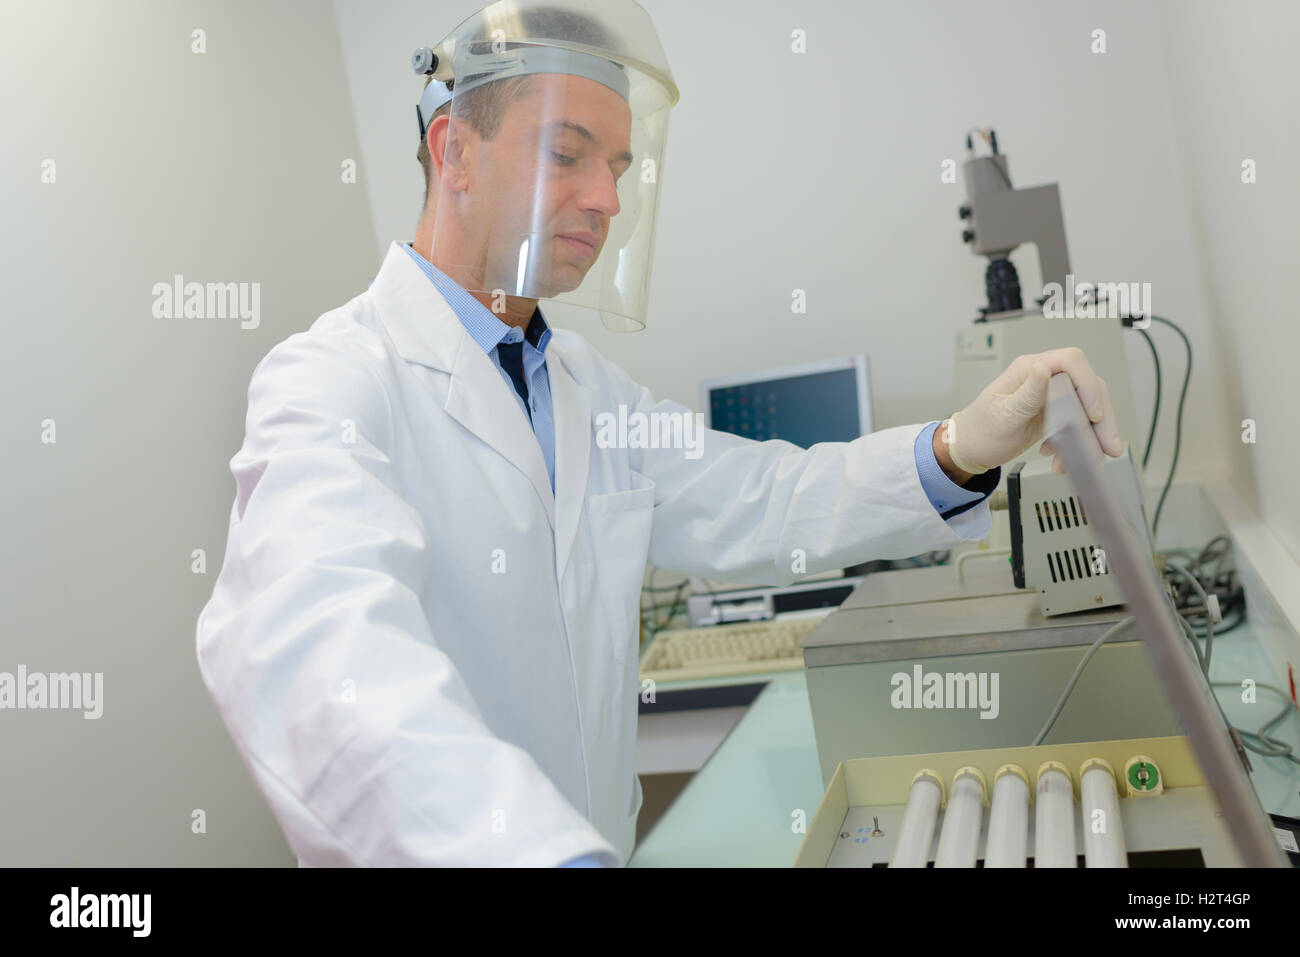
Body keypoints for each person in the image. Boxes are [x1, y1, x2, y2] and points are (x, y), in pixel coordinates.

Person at [195, 0, 1122, 867]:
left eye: (621, 168)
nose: (608, 199)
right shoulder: (331, 381)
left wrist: (965, 442)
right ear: (456, 152)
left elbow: (765, 497)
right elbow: (326, 664)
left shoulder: (583, 386)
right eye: (568, 155)